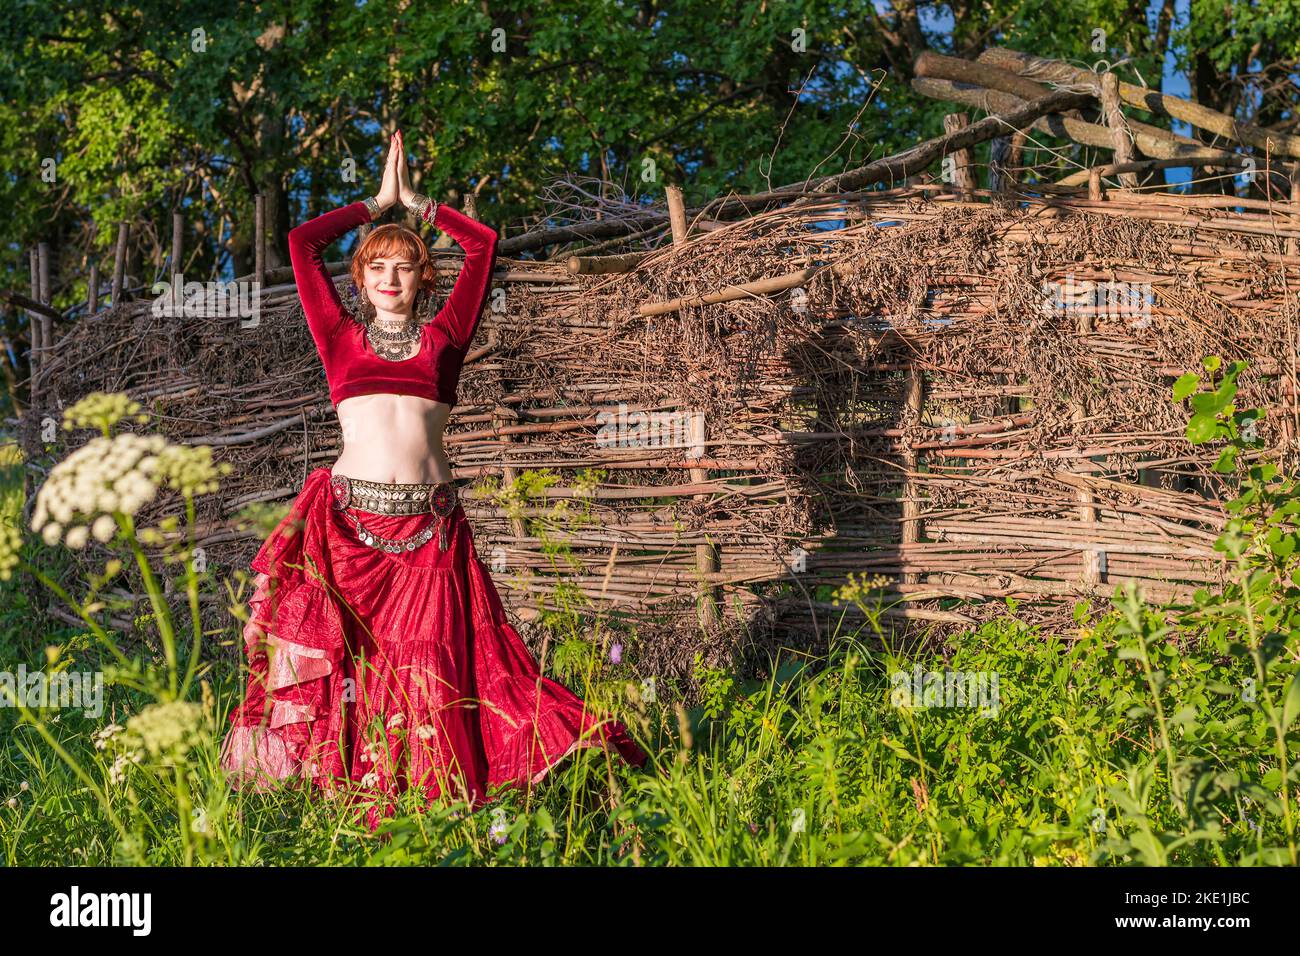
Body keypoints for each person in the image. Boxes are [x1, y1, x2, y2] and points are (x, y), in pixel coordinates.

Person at [219, 130, 649, 831]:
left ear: (424, 278)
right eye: (377, 268)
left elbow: (483, 244)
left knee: (437, 673)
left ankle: (442, 808)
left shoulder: (447, 335)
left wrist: (419, 205)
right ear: (359, 281)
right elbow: (301, 244)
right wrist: (373, 204)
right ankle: (354, 805)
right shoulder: (339, 337)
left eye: (405, 267)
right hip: (346, 532)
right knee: (353, 672)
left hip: (429, 534)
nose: (390, 280)